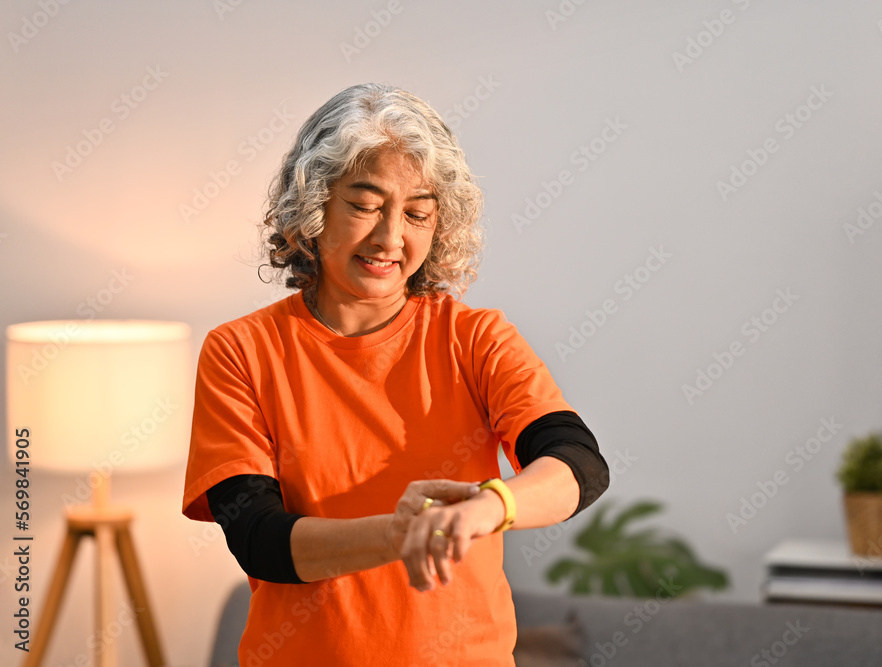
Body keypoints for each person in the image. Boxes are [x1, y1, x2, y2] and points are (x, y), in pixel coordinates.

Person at [181, 83, 609, 666]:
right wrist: (398, 534)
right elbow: (258, 538)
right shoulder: (242, 351)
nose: (390, 237)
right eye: (364, 205)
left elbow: (578, 462)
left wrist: (490, 506)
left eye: (417, 214)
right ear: (313, 208)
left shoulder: (474, 339)